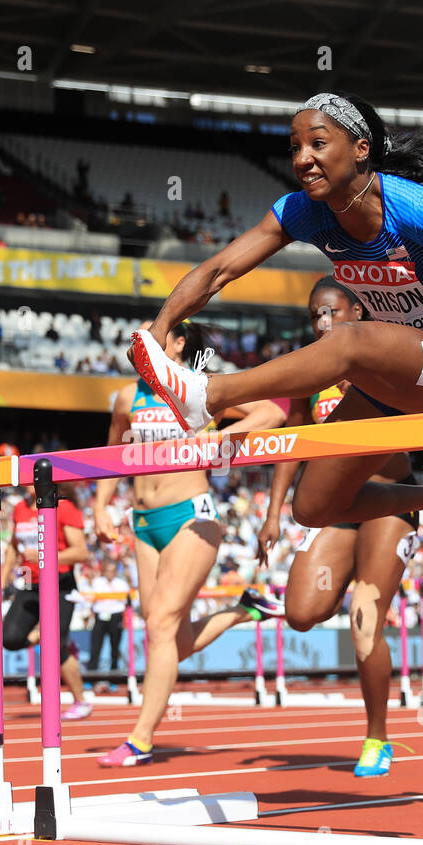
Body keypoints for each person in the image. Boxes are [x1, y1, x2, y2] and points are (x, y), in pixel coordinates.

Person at [127, 91, 423, 534]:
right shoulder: (304, 212)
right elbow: (219, 269)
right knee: (313, 507)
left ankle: (209, 395)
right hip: (383, 377)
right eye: (295, 148)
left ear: (361, 149)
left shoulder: (422, 211)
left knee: (346, 338)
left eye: (317, 144)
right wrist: (158, 330)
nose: (302, 159)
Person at [92, 321, 288, 767]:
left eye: (149, 337)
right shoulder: (127, 397)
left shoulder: (199, 387)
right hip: (143, 523)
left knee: (160, 624)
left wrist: (219, 438)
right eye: (134, 340)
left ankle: (140, 738)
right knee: (170, 642)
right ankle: (246, 609)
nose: (137, 345)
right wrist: (101, 507)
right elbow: (110, 453)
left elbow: (272, 414)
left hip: (191, 517)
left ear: (178, 344)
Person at [257, 277, 420, 777]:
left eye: (331, 313)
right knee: (302, 613)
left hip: (389, 505)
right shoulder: (314, 372)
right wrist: (273, 511)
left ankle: (377, 738)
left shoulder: (382, 359)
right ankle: (329, 580)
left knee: (364, 618)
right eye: (315, 317)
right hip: (338, 510)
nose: (323, 323)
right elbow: (293, 440)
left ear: (357, 312)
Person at [1, 455, 93, 720]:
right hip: (30, 585)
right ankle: (54, 638)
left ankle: (80, 701)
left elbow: (81, 553)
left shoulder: (63, 508)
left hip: (60, 585)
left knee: (55, 646)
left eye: (33, 476)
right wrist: (3, 573)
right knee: (10, 639)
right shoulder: (20, 508)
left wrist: (45, 555)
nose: (28, 481)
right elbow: (13, 547)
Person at [87, 558, 130, 673]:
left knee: (115, 648)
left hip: (116, 617)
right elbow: (90, 598)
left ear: (116, 571)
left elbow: (129, 601)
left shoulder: (121, 584)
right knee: (95, 647)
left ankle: (114, 674)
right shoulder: (97, 582)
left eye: (112, 570)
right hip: (100, 617)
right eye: (108, 570)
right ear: (104, 571)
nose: (110, 573)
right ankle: (91, 674)